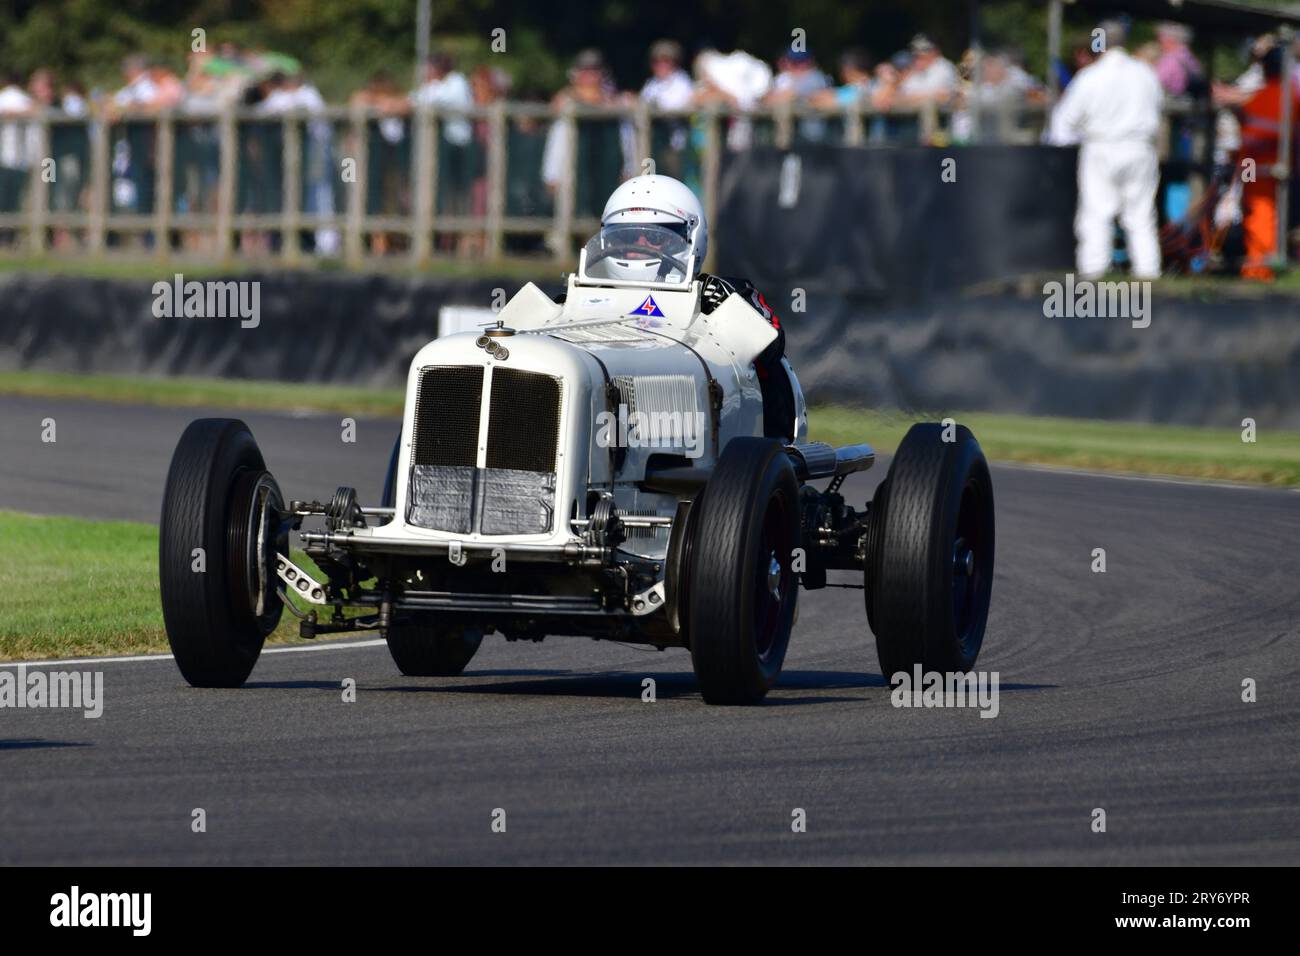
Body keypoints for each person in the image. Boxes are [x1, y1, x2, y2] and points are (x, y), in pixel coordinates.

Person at [583, 174, 793, 439]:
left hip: (714, 434)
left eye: (655, 238)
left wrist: (729, 309)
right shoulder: (586, 295)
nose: (641, 247)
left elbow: (772, 346)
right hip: (605, 424)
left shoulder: (719, 293)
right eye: (629, 237)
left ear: (690, 238)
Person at [1048, 19, 1162, 279]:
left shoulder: (1090, 76)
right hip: (1139, 148)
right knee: (1141, 216)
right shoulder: (1145, 74)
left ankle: (1093, 274)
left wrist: (1063, 149)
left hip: (1100, 147)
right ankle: (1149, 276)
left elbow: (1063, 123)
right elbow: (1158, 108)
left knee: (1097, 214)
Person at [1232, 46, 1300, 281]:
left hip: (1255, 165)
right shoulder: (1290, 95)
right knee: (1265, 214)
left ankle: (1259, 268)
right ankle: (1260, 265)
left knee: (1258, 213)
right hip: (1273, 165)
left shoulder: (1262, 98)